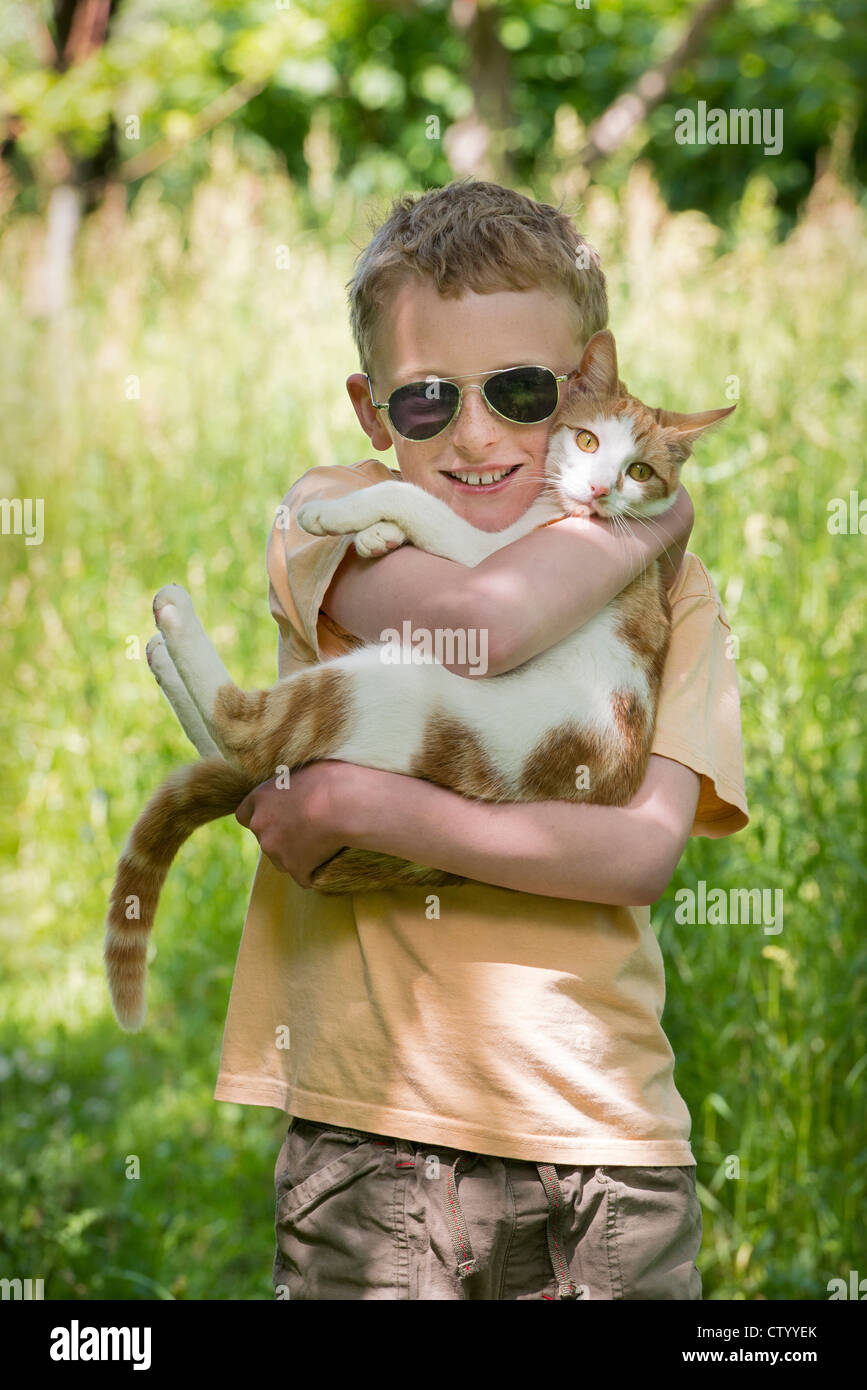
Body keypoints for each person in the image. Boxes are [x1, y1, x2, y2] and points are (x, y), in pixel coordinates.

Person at [224, 179, 749, 1300]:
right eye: (426, 402)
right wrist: (654, 522)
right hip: (378, 1142)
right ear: (373, 412)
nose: (474, 435)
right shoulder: (337, 522)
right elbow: (481, 629)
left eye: (521, 392)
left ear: (589, 379)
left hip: (608, 1142)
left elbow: (642, 853)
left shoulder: (682, 597)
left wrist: (377, 809)